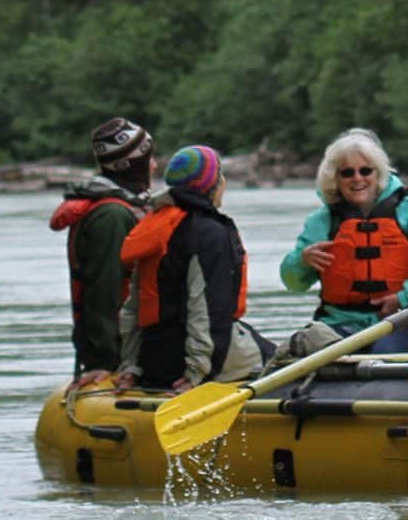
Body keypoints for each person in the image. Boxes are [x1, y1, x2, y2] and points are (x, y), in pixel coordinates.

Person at [273, 129, 408, 363]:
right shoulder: (322, 220)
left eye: (365, 171)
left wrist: (404, 298)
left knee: (385, 354)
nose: (357, 178)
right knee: (317, 356)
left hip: (401, 319)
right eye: (347, 173)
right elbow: (293, 283)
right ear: (335, 178)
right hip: (338, 322)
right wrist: (302, 261)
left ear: (379, 173)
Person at [119, 145, 273, 390]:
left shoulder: (156, 227)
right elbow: (207, 310)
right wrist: (197, 372)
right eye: (220, 175)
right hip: (191, 364)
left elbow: (132, 310)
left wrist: (131, 367)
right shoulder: (210, 233)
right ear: (212, 184)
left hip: (152, 360)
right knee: (290, 354)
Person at [49, 117, 160, 393]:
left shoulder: (126, 207)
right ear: (132, 166)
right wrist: (103, 360)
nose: (155, 166)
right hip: (123, 351)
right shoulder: (111, 216)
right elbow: (103, 289)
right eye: (149, 158)